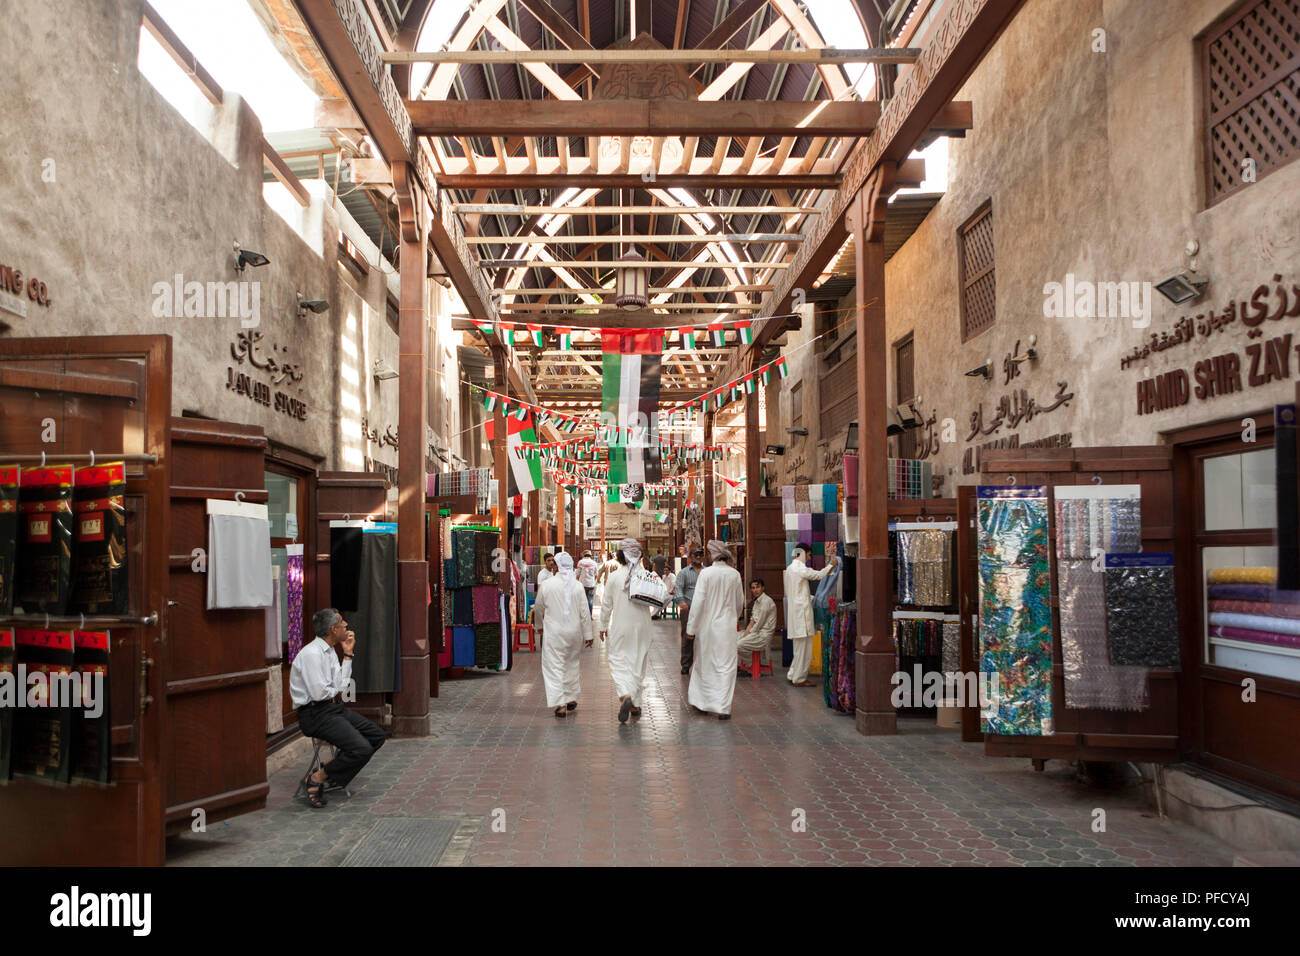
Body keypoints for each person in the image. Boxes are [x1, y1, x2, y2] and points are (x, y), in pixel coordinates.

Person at [291, 608, 387, 808]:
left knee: (376, 736)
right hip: (315, 714)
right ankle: (317, 778)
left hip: (333, 708)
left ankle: (331, 770)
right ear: (333, 629)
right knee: (361, 749)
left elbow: (341, 687)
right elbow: (319, 694)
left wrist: (348, 654)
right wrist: (335, 689)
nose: (346, 626)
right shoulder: (311, 654)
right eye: (342, 623)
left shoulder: (330, 651)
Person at [685, 540, 745, 720]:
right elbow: (739, 602)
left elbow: (697, 603)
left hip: (707, 627)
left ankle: (702, 703)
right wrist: (732, 616)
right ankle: (723, 707)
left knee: (705, 663)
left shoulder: (706, 574)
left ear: (712, 555)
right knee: (726, 666)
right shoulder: (734, 574)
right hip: (727, 627)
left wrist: (691, 628)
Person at [600, 537, 656, 723]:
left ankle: (625, 695)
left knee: (618, 661)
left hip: (621, 626)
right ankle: (635, 704)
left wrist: (602, 625)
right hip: (643, 626)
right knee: (638, 663)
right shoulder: (648, 576)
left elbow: (606, 604)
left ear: (621, 555)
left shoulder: (615, 577)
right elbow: (659, 600)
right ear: (639, 555)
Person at [534, 552, 592, 718]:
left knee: (554, 666)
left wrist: (539, 626)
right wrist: (588, 634)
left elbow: (538, 607)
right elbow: (584, 612)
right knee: (571, 664)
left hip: (554, 633)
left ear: (557, 565)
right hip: (574, 633)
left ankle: (560, 704)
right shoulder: (578, 586)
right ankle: (571, 697)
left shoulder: (547, 584)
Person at [784, 544, 839, 687]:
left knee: (798, 648)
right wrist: (831, 565)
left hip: (795, 612)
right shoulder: (799, 568)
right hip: (801, 613)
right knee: (805, 648)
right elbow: (818, 575)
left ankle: (793, 674)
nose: (809, 558)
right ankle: (800, 678)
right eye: (808, 555)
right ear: (803, 553)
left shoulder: (790, 569)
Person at [736, 578, 777, 676]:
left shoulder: (766, 601)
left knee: (738, 645)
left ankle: (750, 664)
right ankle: (745, 665)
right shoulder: (757, 602)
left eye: (757, 587)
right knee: (733, 639)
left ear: (763, 588)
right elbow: (752, 621)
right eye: (753, 588)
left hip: (763, 635)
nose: (755, 590)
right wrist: (745, 634)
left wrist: (746, 636)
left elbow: (759, 624)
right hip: (756, 632)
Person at [674, 547, 705, 674]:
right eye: (695, 555)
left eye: (700, 555)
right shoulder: (684, 573)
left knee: (705, 637)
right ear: (690, 557)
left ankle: (704, 665)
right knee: (687, 637)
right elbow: (678, 588)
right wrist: (681, 601)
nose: (698, 557)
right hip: (689, 608)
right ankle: (686, 665)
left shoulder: (707, 572)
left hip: (704, 609)